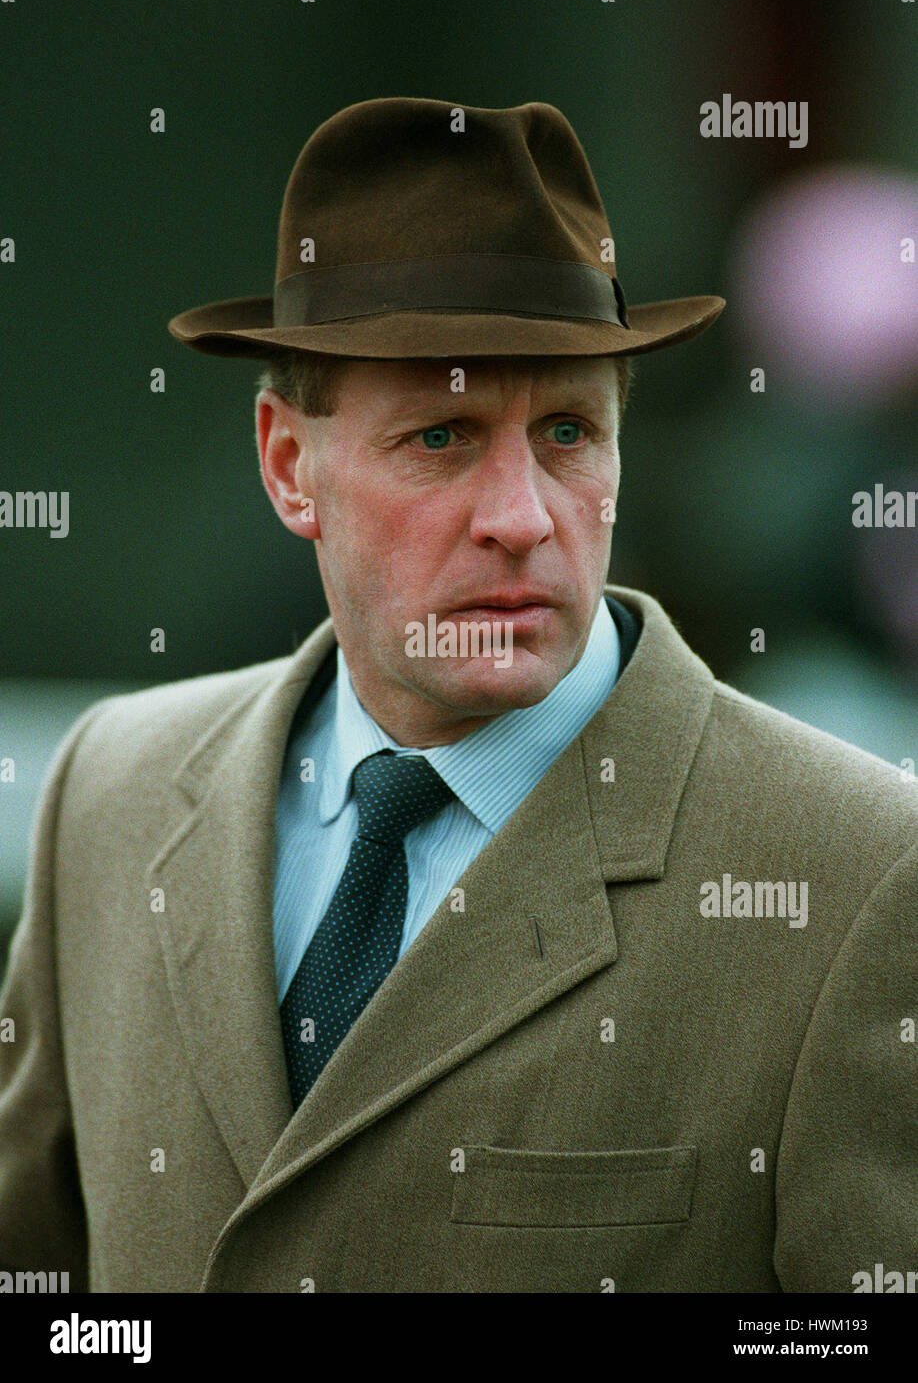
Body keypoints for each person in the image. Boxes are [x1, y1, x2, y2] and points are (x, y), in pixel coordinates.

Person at [0, 97, 915, 1295]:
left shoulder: (853, 872)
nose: (524, 516)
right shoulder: (108, 794)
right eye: (442, 436)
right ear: (288, 465)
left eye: (572, 431)